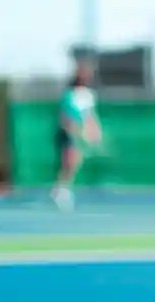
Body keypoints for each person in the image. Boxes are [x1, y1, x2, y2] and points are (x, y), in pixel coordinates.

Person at [52, 61, 102, 211]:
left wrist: (94, 130)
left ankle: (62, 189)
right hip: (70, 132)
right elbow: (65, 115)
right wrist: (71, 129)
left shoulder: (88, 95)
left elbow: (90, 115)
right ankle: (61, 190)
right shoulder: (69, 94)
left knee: (75, 162)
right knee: (70, 160)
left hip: (81, 133)